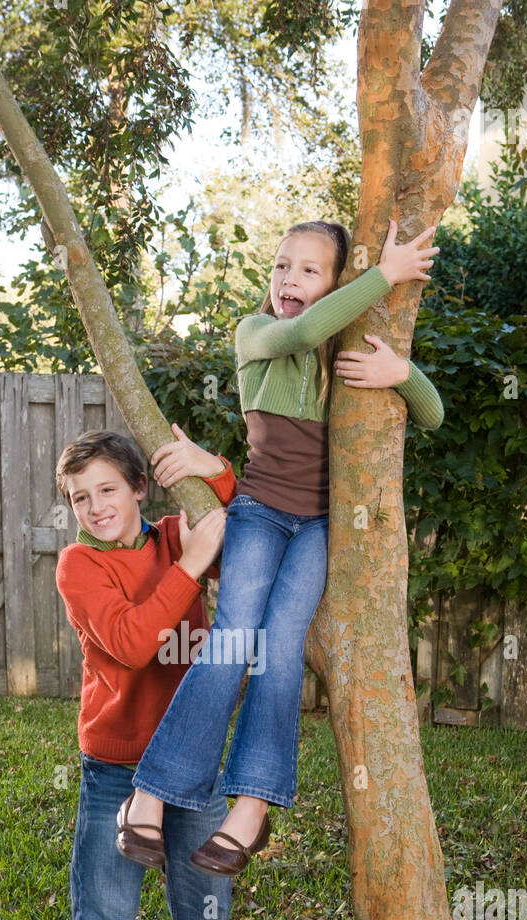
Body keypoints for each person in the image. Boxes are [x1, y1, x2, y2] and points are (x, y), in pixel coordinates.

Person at [118, 217, 444, 877]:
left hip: (323, 528)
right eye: (280, 265)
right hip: (261, 515)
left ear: (335, 283)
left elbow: (432, 415)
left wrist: (399, 370)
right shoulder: (256, 332)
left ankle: (252, 811)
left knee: (280, 652)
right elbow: (299, 330)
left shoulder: (349, 351)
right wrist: (391, 272)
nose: (289, 279)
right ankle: (149, 795)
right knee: (234, 639)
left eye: (309, 270)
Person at [54, 429, 242, 920]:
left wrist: (210, 468)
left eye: (108, 489)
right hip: (119, 771)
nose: (96, 507)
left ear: (140, 487)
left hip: (192, 764)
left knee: (207, 917)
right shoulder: (79, 566)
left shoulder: (175, 534)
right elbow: (132, 643)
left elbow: (241, 513)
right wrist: (191, 567)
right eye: (80, 497)